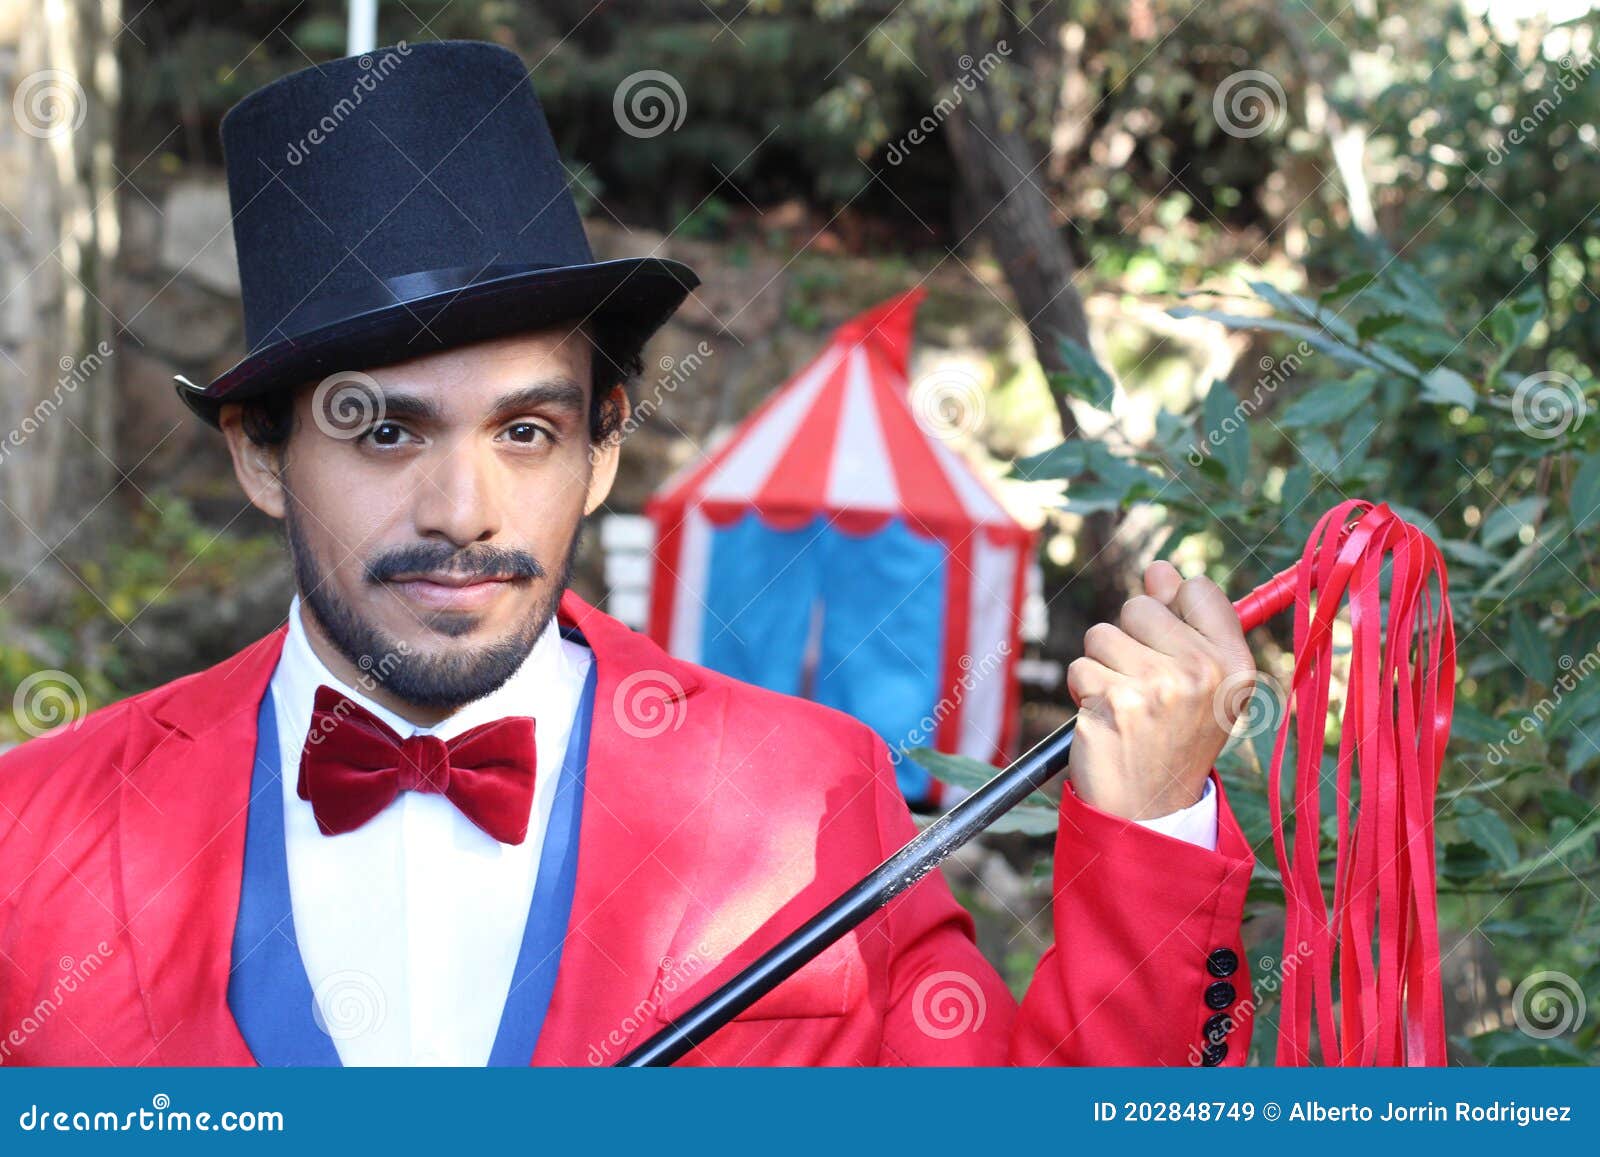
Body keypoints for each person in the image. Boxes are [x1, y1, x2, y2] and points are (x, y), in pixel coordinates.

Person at [0, 40, 1258, 1068]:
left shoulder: (813, 794)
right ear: (260, 456)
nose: (463, 508)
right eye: (382, 430)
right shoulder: (28, 834)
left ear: (603, 449)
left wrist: (1151, 826)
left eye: (528, 429)